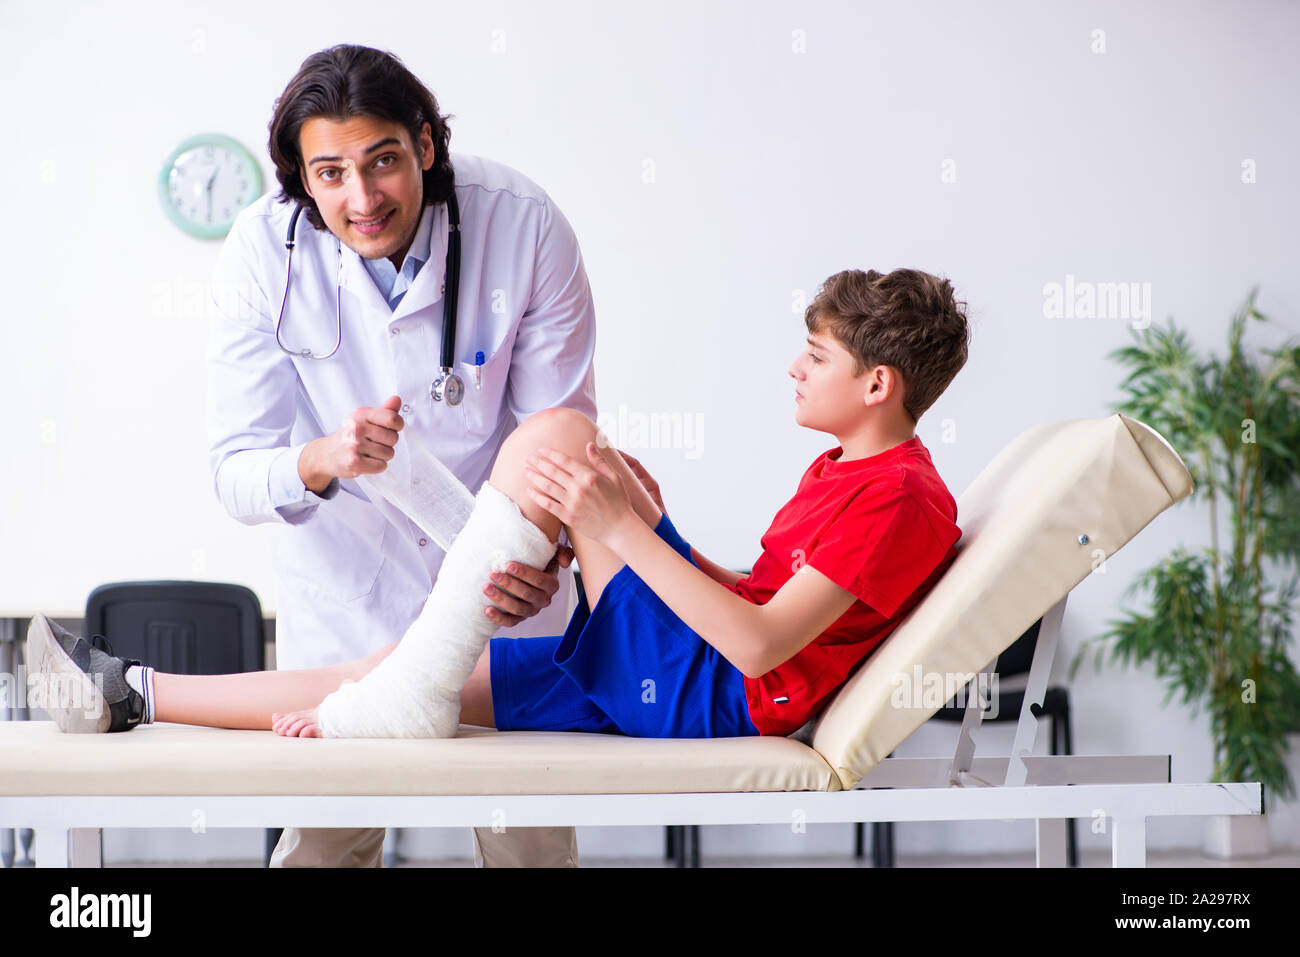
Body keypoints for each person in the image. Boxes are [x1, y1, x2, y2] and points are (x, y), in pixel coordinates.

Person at [33, 267, 970, 756]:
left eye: (815, 356)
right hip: (694, 668)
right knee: (390, 672)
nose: (795, 369)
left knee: (560, 435)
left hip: (711, 693)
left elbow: (765, 647)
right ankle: (133, 693)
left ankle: (455, 531)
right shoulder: (843, 471)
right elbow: (759, 596)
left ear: (877, 381)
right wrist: (643, 524)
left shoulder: (896, 498)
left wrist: (622, 531)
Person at [205, 44, 602, 866]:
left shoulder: (523, 226)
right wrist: (321, 456)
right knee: (325, 846)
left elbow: (559, 437)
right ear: (300, 177)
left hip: (503, 599)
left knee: (529, 845)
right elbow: (235, 470)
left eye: (382, 161)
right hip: (351, 595)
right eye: (330, 173)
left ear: (425, 143)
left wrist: (551, 554)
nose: (362, 197)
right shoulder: (258, 253)